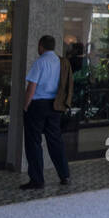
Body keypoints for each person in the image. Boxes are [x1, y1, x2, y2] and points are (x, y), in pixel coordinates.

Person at [21, 35, 71, 190]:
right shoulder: (60, 61)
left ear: (41, 46)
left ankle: (37, 179)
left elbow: (32, 87)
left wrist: (25, 105)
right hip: (55, 105)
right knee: (55, 141)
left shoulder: (40, 62)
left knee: (34, 142)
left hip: (38, 105)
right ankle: (64, 175)